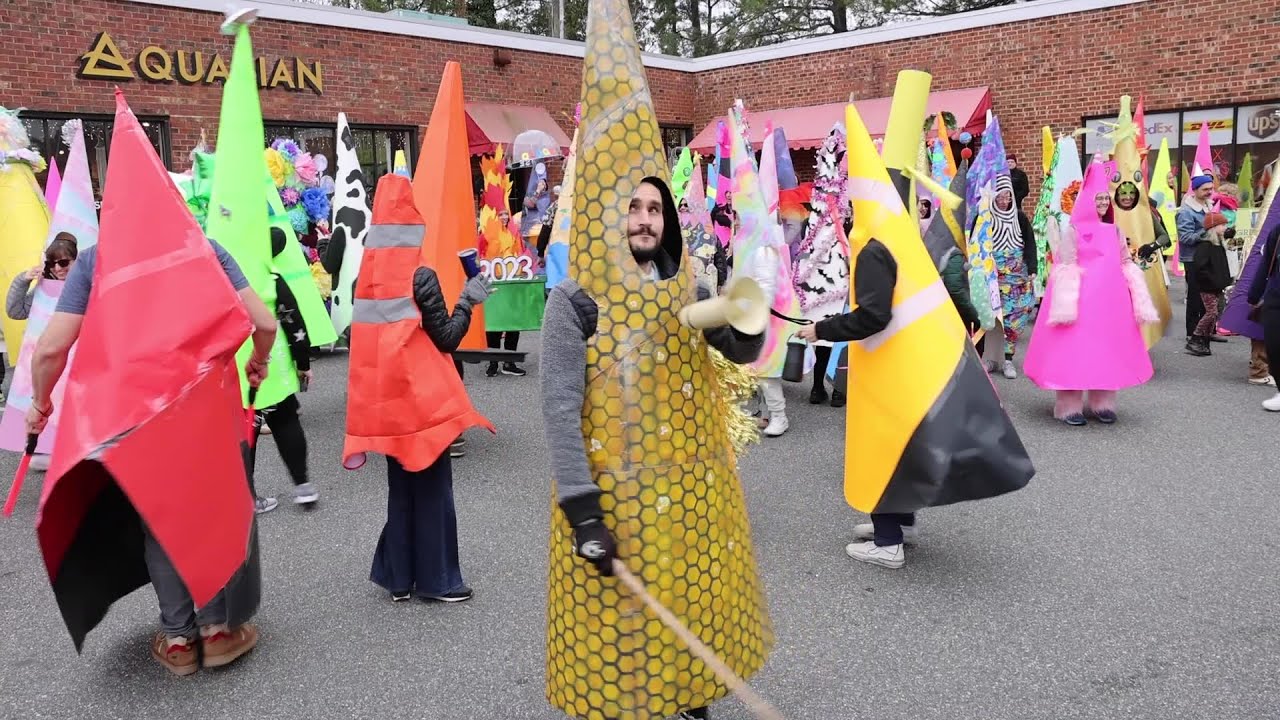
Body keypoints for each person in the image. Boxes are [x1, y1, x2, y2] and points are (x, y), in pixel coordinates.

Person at [542, 171, 769, 720]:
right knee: (618, 624)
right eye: (633, 207)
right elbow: (558, 408)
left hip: (686, 494)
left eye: (654, 208)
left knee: (687, 599)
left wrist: (748, 319)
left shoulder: (687, 287)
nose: (644, 220)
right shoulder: (574, 300)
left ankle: (688, 696)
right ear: (605, 215)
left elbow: (739, 350)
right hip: (613, 498)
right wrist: (583, 513)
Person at [28, 238, 276, 676]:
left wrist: (39, 403)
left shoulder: (94, 260)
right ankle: (216, 630)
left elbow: (51, 348)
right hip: (202, 408)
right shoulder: (205, 249)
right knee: (208, 514)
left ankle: (178, 639)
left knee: (158, 522)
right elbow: (263, 322)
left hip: (132, 416)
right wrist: (259, 359)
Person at [250, 228, 319, 513]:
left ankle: (247, 497)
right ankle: (303, 486)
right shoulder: (270, 277)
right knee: (286, 420)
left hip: (235, 364)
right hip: (271, 360)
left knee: (245, 430)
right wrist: (303, 363)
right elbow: (294, 322)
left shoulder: (221, 271)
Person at [989, 175, 1036, 379]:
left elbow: (1030, 243)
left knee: (1014, 320)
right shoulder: (986, 218)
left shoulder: (1020, 218)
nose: (1003, 200)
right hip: (994, 276)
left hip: (1017, 277)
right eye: (999, 196)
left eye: (1007, 196)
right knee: (992, 318)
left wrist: (1032, 267)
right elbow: (977, 243)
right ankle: (991, 358)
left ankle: (1008, 359)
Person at [1186, 212, 1233, 356]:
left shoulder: (1218, 245)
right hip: (1207, 286)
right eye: (1222, 225)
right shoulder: (1205, 246)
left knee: (1215, 313)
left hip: (1216, 286)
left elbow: (1221, 266)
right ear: (1213, 227)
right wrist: (1212, 280)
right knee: (1211, 313)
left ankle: (1204, 341)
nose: (1225, 227)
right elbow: (1200, 268)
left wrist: (1224, 281)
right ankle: (1195, 338)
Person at [7, 234, 78, 321]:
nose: (57, 268)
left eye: (63, 262)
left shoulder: (87, 285)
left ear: (77, 260)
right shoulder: (46, 286)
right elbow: (16, 312)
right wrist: (22, 280)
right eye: (51, 264)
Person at [1248, 221, 1280, 410]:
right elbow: (1266, 262)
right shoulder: (1277, 231)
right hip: (1276, 296)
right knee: (1274, 346)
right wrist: (1254, 293)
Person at [1177, 175, 1214, 338]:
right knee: (1195, 297)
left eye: (1211, 189)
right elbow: (1185, 238)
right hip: (1193, 259)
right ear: (1195, 190)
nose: (1209, 192)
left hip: (1207, 257)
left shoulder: (1209, 205)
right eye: (1205, 189)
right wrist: (1207, 230)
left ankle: (1207, 331)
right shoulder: (1186, 211)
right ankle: (1192, 332)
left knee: (1209, 296)